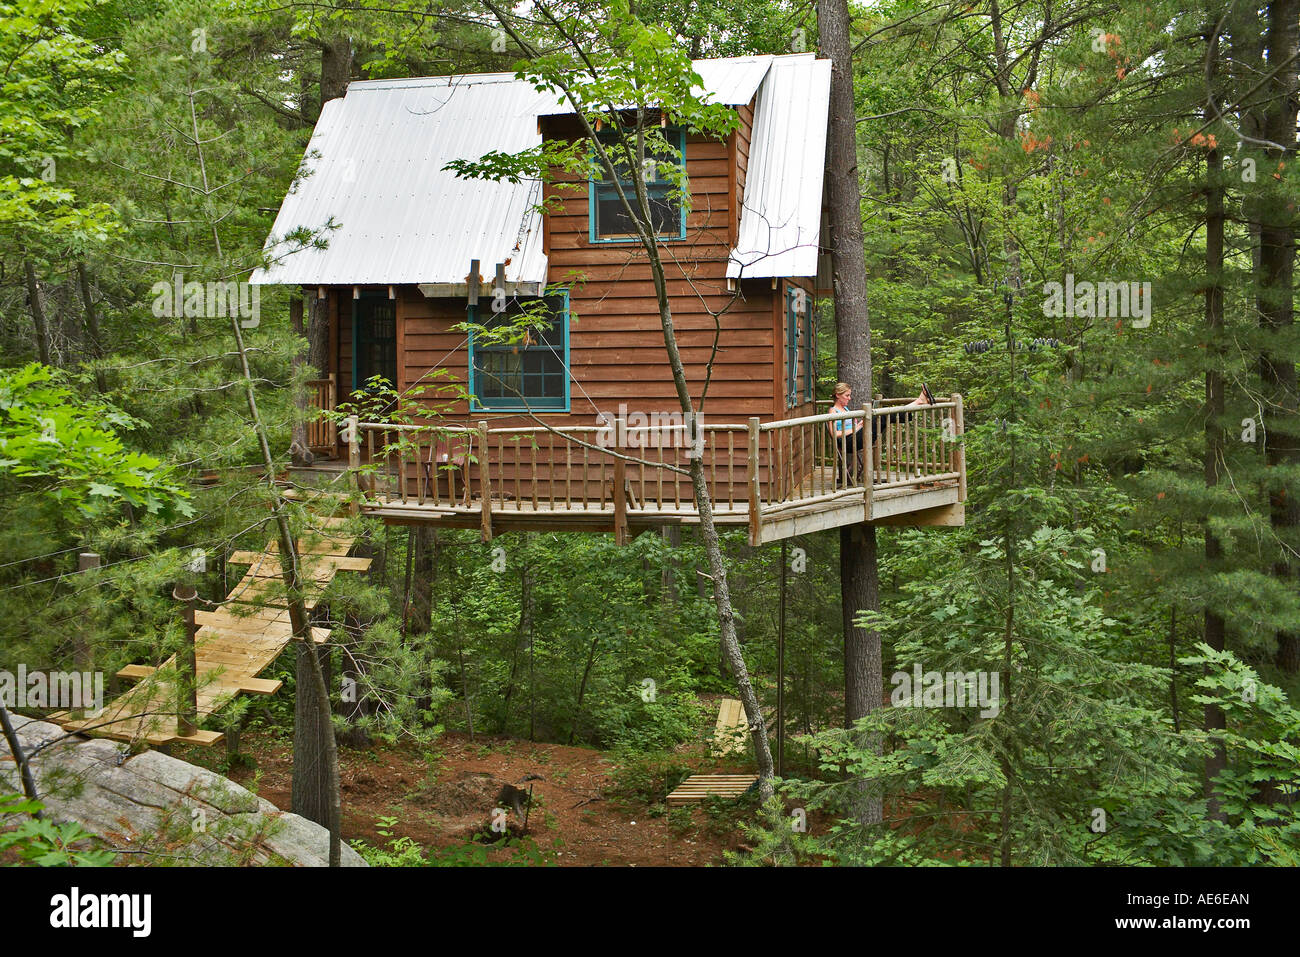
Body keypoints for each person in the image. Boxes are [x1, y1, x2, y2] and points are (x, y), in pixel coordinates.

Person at [828, 382, 934, 483]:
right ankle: (918, 401)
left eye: (849, 395)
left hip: (856, 437)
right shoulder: (833, 411)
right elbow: (834, 434)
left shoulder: (845, 409)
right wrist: (857, 427)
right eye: (847, 395)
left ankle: (918, 401)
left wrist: (858, 425)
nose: (849, 398)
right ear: (838, 395)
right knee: (881, 416)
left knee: (883, 416)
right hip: (848, 442)